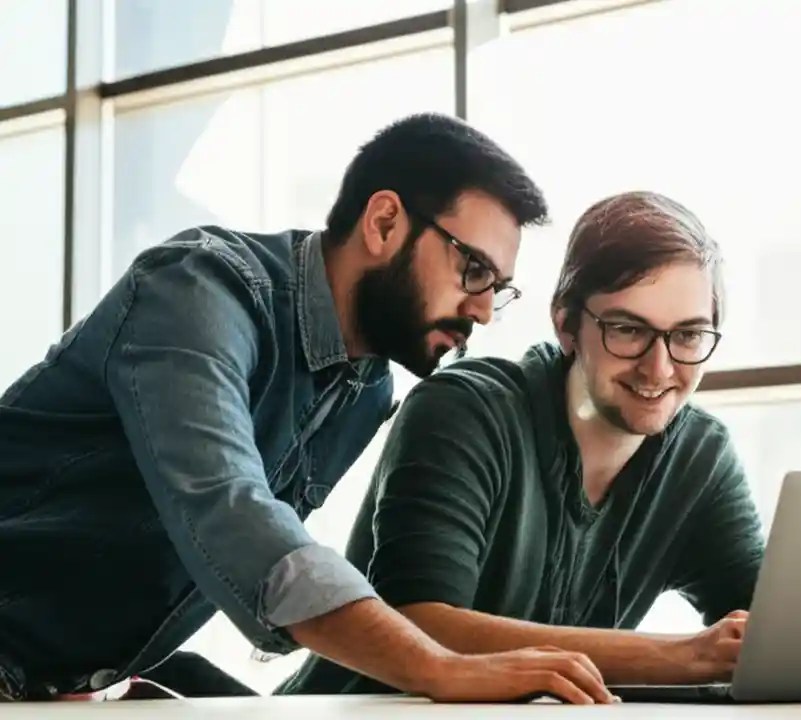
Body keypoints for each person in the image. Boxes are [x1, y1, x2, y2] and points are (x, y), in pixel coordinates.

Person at [0, 112, 614, 704]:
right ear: (383, 222)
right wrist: (441, 666)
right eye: (472, 270)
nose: (482, 309)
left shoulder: (366, 388)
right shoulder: (196, 291)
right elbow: (233, 515)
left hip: (77, 681)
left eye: (497, 289)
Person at [279, 191, 766, 695]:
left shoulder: (702, 458)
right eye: (626, 329)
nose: (659, 368)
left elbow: (771, 635)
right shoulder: (463, 410)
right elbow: (420, 622)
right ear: (565, 324)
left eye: (688, 337)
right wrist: (682, 657)